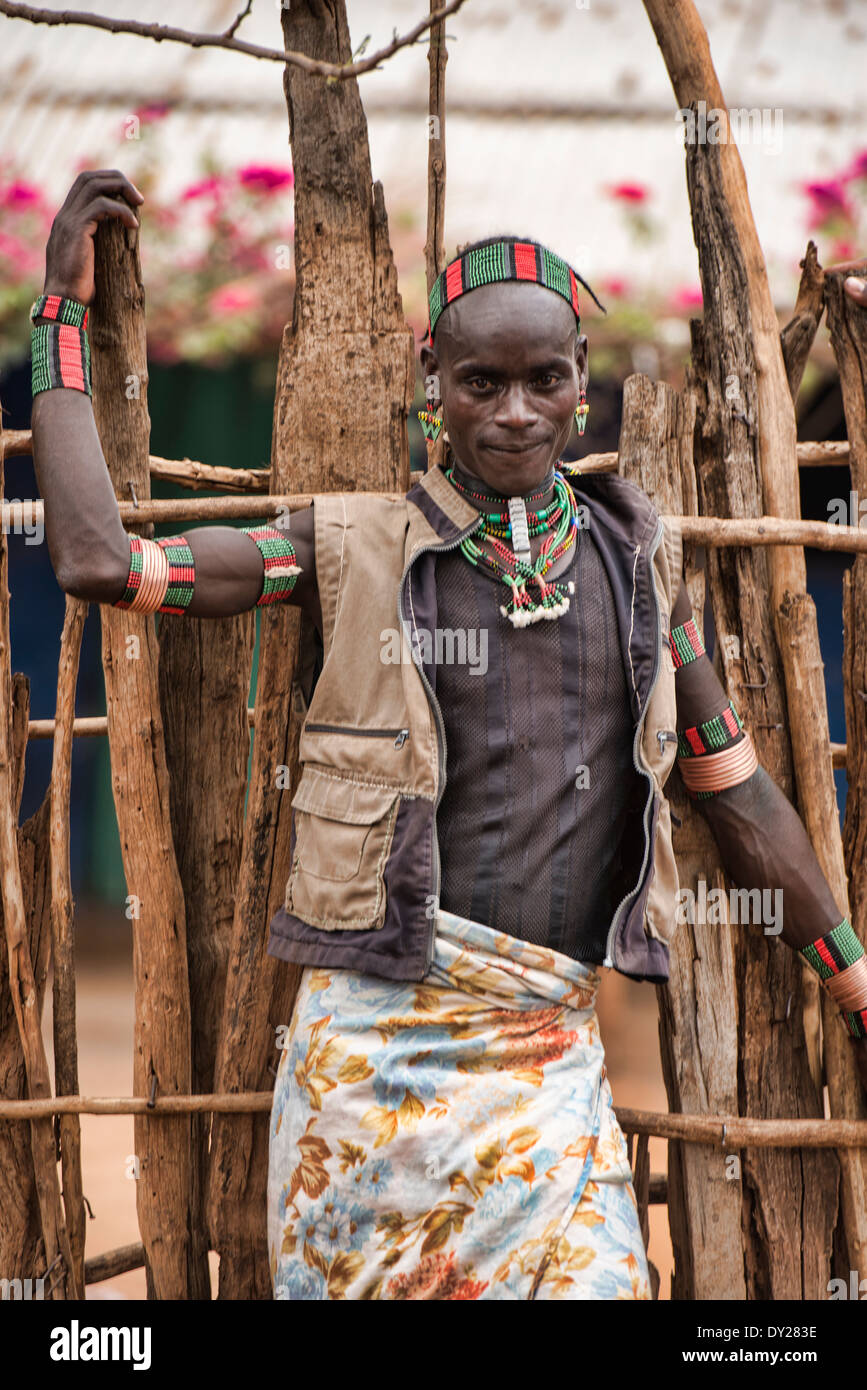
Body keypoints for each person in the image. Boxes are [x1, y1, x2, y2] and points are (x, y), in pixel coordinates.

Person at [31, 170, 867, 1301]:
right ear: (436, 386)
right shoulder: (345, 548)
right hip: (371, 1076)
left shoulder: (633, 574)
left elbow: (740, 792)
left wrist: (855, 981)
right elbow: (102, 565)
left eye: (543, 381)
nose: (514, 411)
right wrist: (56, 323)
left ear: (582, 388)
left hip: (547, 1070)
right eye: (482, 382)